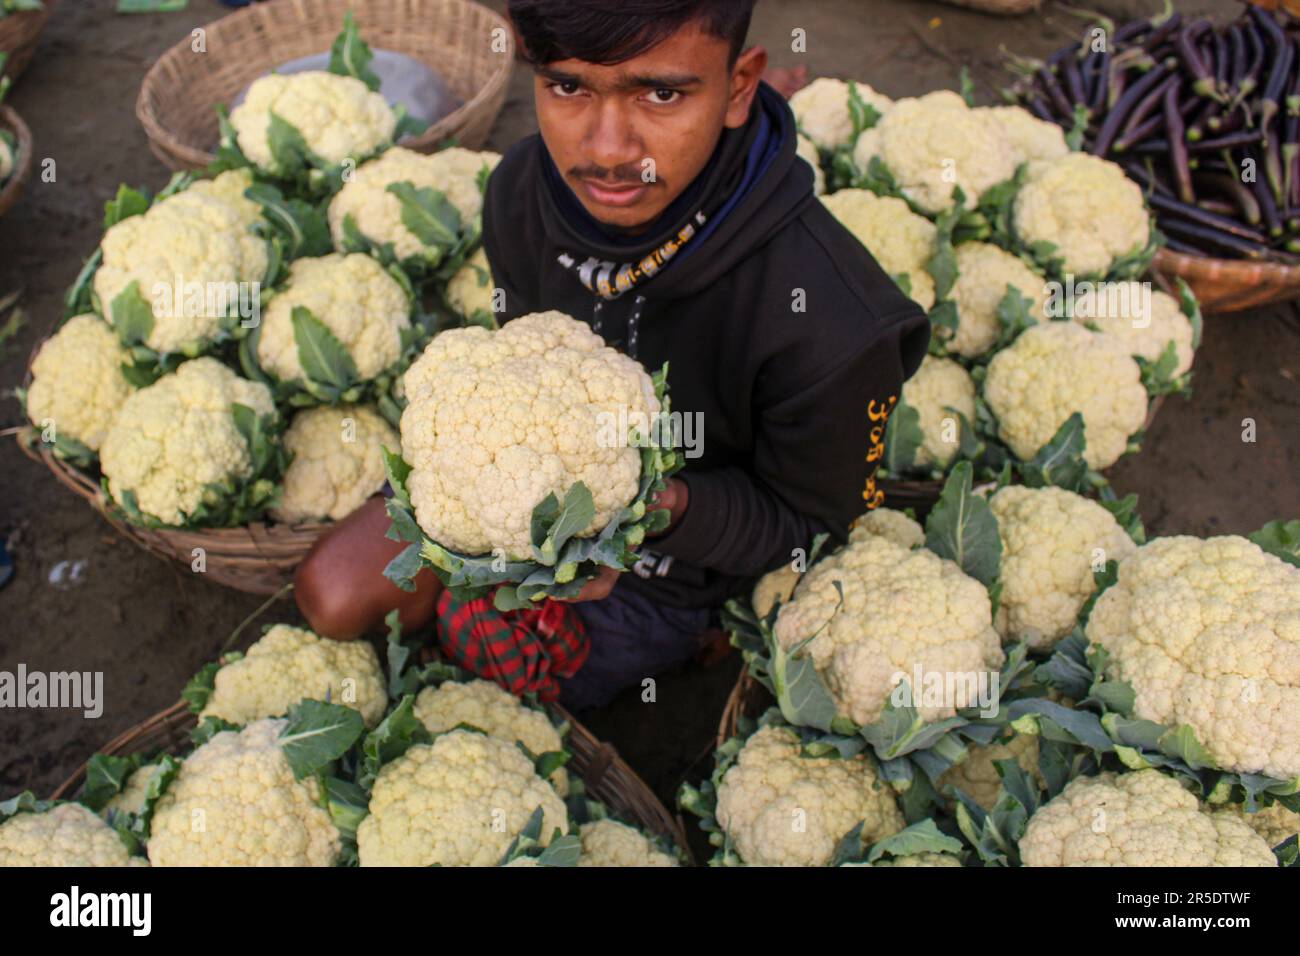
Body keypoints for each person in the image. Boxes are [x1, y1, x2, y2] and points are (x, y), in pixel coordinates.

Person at [294, 0, 929, 712]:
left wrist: (650, 512)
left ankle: (701, 644)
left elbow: (809, 530)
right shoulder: (519, 193)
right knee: (333, 595)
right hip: (518, 481)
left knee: (478, 678)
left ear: (741, 85)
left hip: (685, 566)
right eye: (568, 86)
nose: (606, 149)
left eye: (660, 93)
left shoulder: (834, 321)